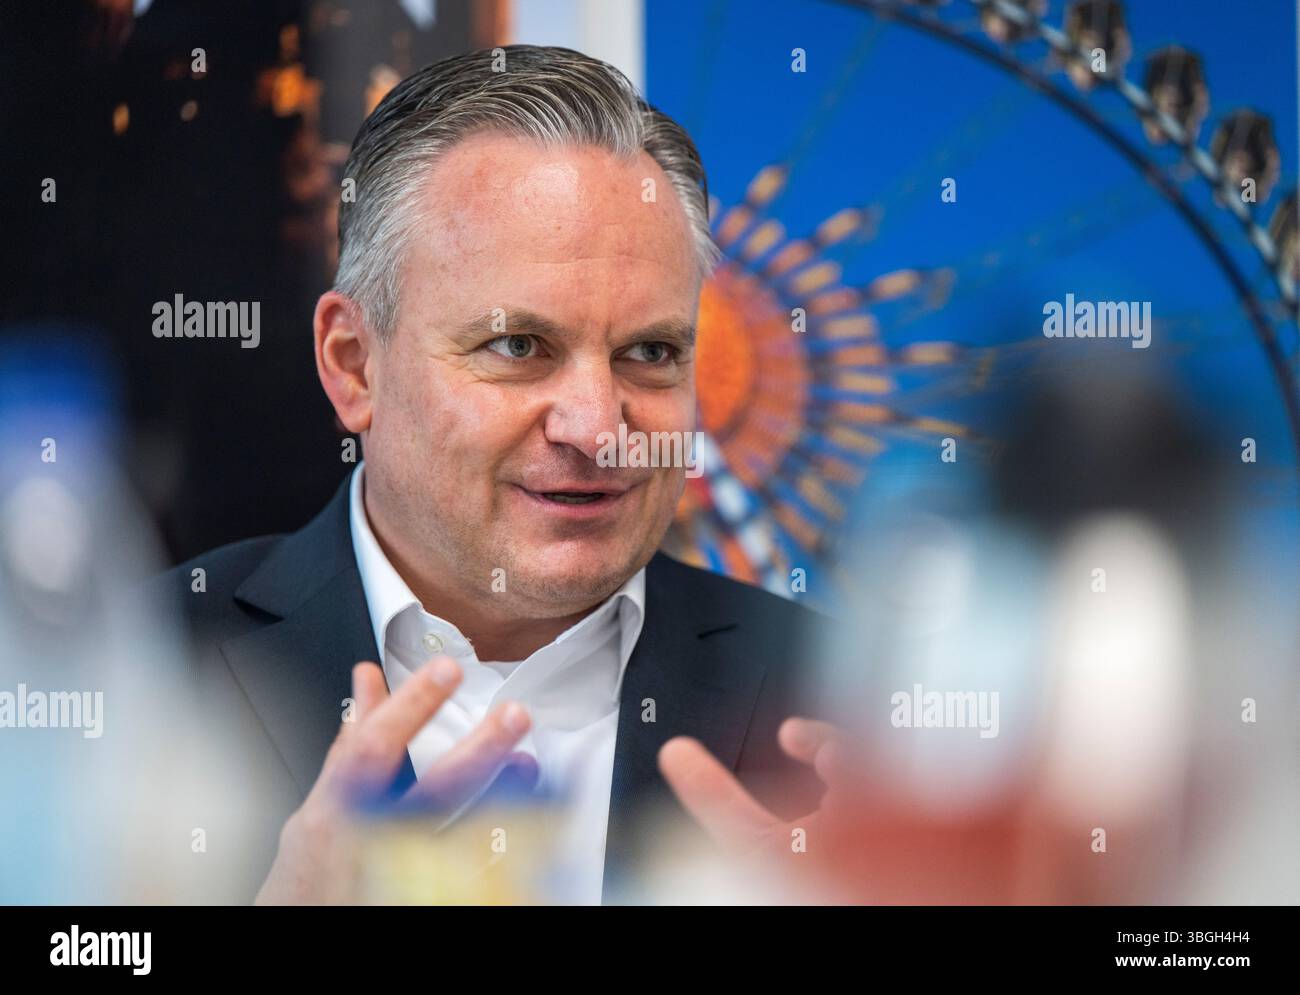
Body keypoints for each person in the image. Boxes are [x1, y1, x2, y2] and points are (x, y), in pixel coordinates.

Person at [153, 44, 840, 905]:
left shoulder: (841, 710)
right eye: (519, 345)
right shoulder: (134, 669)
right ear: (355, 365)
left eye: (651, 352)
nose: (598, 430)